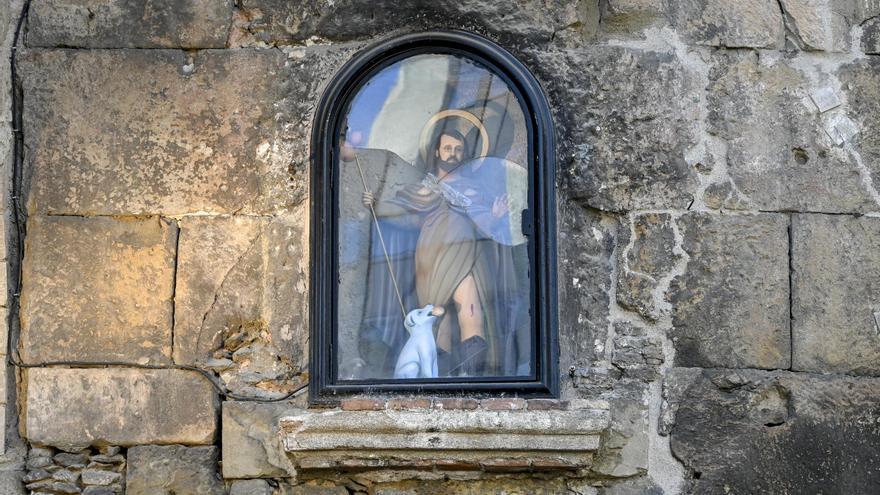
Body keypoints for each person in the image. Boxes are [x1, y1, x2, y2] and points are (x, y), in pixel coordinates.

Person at [362, 127, 511, 376]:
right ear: (437, 151)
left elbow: (486, 225)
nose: (453, 154)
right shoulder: (424, 189)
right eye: (448, 148)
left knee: (470, 309)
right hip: (431, 257)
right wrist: (376, 205)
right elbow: (403, 215)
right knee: (437, 317)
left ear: (465, 155)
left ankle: (470, 378)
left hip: (467, 254)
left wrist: (495, 217)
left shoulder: (474, 190)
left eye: (458, 150)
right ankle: (439, 379)